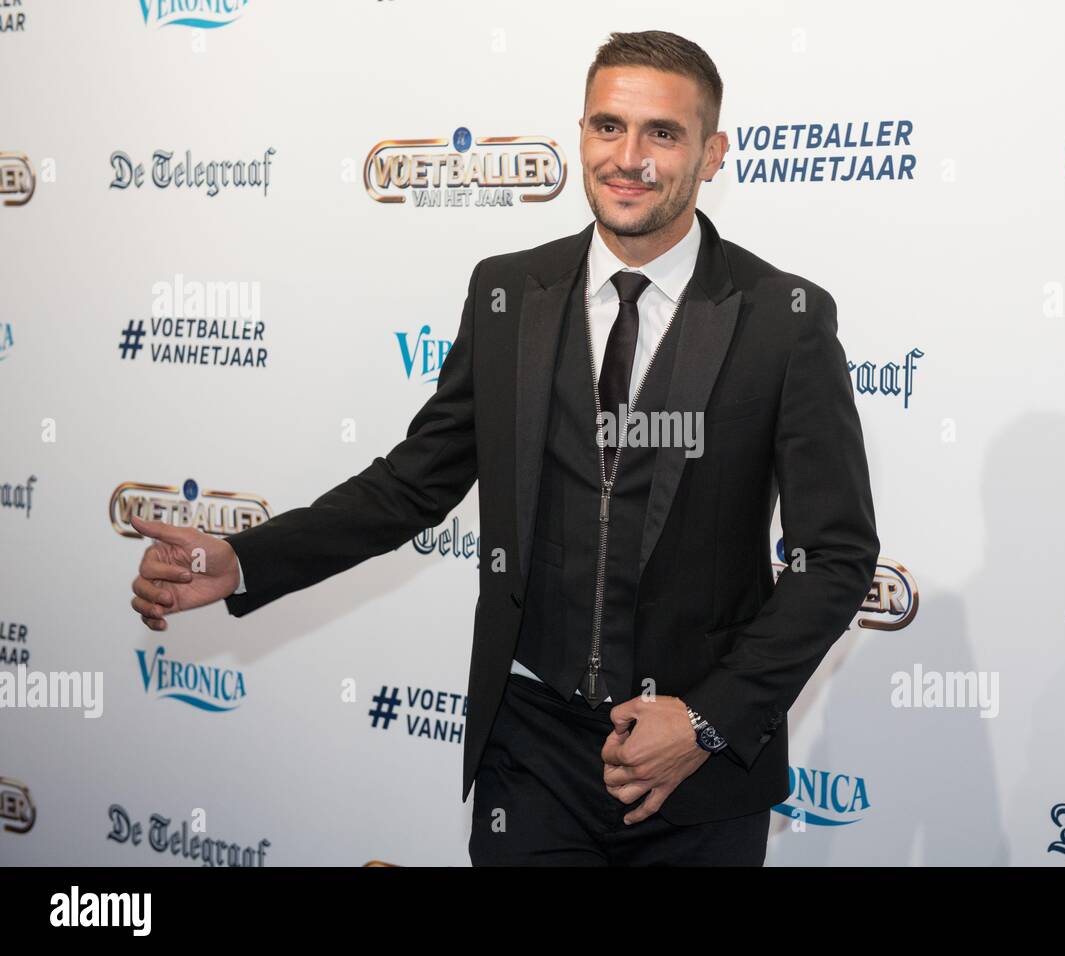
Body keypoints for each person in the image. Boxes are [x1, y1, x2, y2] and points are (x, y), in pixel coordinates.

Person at [129, 29, 879, 866]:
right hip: (531, 755)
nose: (628, 158)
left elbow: (837, 558)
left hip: (694, 768)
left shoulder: (784, 318)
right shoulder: (507, 292)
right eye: (607, 127)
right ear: (581, 135)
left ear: (712, 154)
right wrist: (242, 560)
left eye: (662, 134)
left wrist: (705, 721)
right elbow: (413, 483)